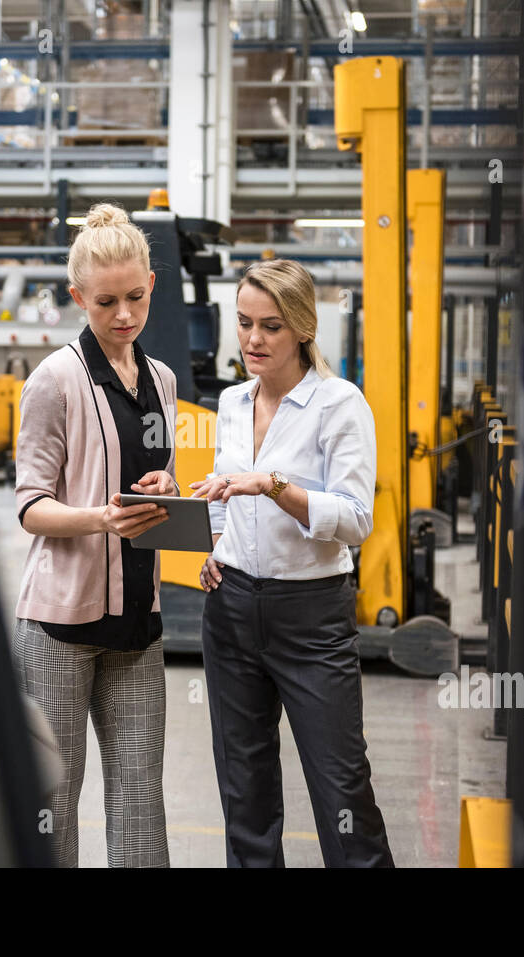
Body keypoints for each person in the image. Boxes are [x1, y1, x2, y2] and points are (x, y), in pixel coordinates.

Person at [191, 258, 395, 867]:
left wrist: (275, 484)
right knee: (244, 793)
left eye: (271, 326)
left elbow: (358, 520)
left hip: (310, 618)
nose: (253, 339)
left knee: (341, 788)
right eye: (245, 323)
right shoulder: (230, 402)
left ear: (303, 328)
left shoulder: (339, 404)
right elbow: (227, 496)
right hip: (230, 611)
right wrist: (215, 548)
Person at [13, 202, 177, 868]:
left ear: (151, 286)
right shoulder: (54, 380)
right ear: (78, 297)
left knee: (140, 798)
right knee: (53, 799)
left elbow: (157, 473)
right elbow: (28, 505)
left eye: (135, 297)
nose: (124, 315)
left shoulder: (163, 380)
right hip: (58, 624)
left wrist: (166, 489)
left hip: (138, 619)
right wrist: (98, 518)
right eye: (105, 301)